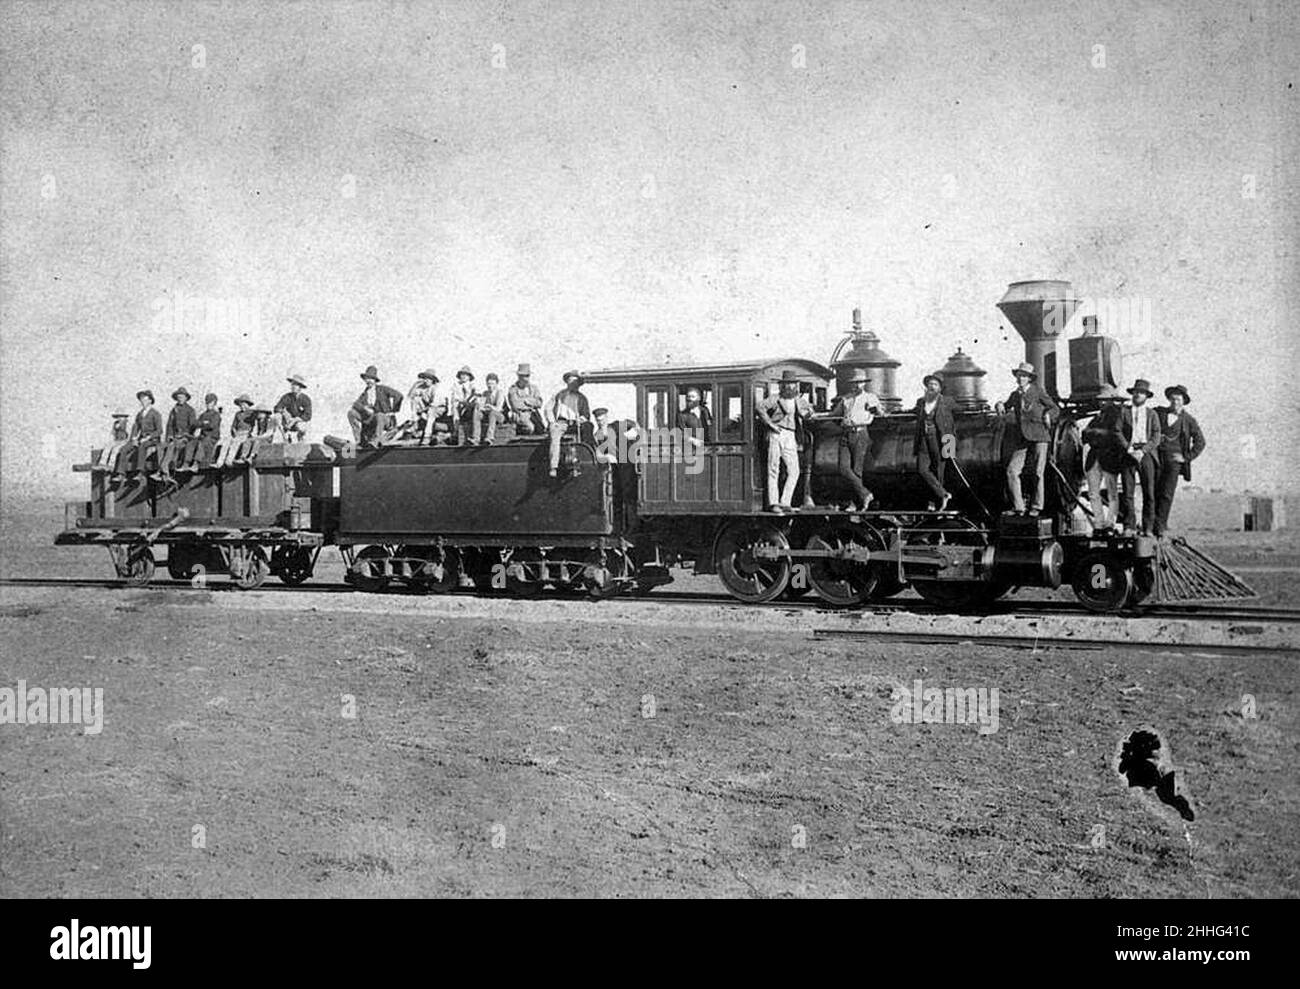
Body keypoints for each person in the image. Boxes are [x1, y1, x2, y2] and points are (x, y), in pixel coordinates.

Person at [995, 361, 1059, 516]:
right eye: (1019, 375)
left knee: (1038, 472)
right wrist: (999, 404)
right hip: (1022, 438)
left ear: (1029, 378)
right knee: (1012, 471)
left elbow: (1054, 407)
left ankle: (1037, 507)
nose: (1020, 378)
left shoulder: (1038, 392)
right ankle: (1018, 507)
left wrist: (1048, 415)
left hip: (1039, 436)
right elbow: (1006, 405)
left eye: (1024, 376)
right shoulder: (1015, 395)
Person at [1152, 384, 1206, 538]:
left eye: (1178, 399)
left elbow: (1200, 442)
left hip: (1174, 462)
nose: (1175, 402)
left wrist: (1185, 458)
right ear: (1169, 399)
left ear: (1183, 402)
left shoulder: (1189, 420)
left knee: (1167, 493)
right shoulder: (1159, 413)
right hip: (1157, 457)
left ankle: (1161, 525)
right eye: (1173, 399)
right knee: (1153, 490)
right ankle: (1151, 524)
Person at [756, 369, 813, 513]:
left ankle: (785, 502)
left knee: (794, 471)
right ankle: (773, 503)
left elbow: (807, 414)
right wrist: (770, 424)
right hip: (776, 434)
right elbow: (760, 407)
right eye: (787, 384)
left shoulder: (799, 401)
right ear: (782, 386)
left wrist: (809, 414)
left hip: (791, 435)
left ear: (795, 386)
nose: (789, 387)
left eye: (792, 384)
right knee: (773, 469)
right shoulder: (774, 399)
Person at [829, 369, 883, 511]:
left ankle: (856, 503)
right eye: (855, 383)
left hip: (860, 433)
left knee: (857, 470)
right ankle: (865, 494)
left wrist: (876, 410)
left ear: (864, 384)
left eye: (859, 382)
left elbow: (879, 412)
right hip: (846, 434)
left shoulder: (870, 397)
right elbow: (834, 415)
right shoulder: (846, 399)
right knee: (843, 468)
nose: (857, 385)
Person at [1081, 391, 1127, 532]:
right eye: (1100, 400)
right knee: (1093, 493)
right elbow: (1084, 433)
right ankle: (1099, 523)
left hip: (1109, 457)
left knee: (1111, 493)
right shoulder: (1098, 417)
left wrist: (1095, 433)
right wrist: (1098, 433)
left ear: (1111, 401)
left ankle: (1110, 523)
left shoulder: (1117, 415)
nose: (1101, 402)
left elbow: (1113, 434)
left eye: (1104, 400)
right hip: (1094, 457)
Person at [1120, 378, 1160, 535]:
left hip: (1146, 454)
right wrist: (1129, 449)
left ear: (1146, 396)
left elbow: (1156, 435)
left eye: (1142, 393)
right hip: (1128, 454)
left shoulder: (1152, 414)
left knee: (1149, 493)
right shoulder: (1124, 412)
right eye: (1136, 392)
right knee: (1127, 492)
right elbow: (1117, 432)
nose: (1138, 395)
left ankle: (1148, 527)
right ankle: (1129, 526)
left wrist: (1143, 451)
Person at [913, 372, 956, 511]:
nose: (931, 387)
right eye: (930, 384)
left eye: (935, 384)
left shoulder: (947, 401)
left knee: (939, 470)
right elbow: (913, 413)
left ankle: (938, 503)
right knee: (922, 469)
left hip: (940, 438)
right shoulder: (921, 402)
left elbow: (961, 411)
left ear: (940, 388)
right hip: (924, 438)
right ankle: (942, 494)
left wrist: (951, 445)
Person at [547, 370, 590, 477]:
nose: (573, 385)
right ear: (567, 382)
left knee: (587, 428)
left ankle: (580, 465)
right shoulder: (559, 395)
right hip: (561, 423)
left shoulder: (582, 398)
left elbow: (586, 414)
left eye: (575, 383)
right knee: (555, 435)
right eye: (571, 382)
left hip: (575, 423)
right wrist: (552, 422)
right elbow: (548, 408)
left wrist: (582, 419)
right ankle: (553, 466)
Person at [347, 365, 404, 446]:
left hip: (386, 420)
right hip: (372, 420)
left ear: (374, 380)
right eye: (366, 379)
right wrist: (365, 409)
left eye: (370, 379)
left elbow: (399, 395)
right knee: (351, 413)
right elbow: (355, 404)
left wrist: (393, 411)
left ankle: (376, 441)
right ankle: (358, 440)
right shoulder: (365, 393)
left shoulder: (382, 389)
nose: (368, 381)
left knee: (380, 415)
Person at [155, 387, 198, 479]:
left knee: (172, 446)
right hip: (174, 437)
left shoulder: (190, 410)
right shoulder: (174, 410)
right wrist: (169, 436)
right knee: (160, 446)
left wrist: (185, 435)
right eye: (178, 397)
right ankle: (162, 470)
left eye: (182, 397)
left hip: (184, 438)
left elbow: (193, 426)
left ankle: (164, 472)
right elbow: (170, 425)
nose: (180, 399)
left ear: (186, 398)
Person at [118, 389, 163, 478]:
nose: (142, 402)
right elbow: (136, 427)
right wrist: (134, 438)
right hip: (141, 438)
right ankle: (121, 473)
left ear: (150, 401)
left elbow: (159, 431)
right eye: (141, 400)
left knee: (142, 446)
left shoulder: (155, 413)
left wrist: (148, 437)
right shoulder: (140, 414)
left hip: (152, 440)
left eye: (145, 399)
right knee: (124, 448)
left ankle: (140, 472)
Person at [181, 393, 222, 471]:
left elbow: (211, 426)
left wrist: (202, 424)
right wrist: (204, 423)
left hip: (212, 438)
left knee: (202, 443)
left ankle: (196, 464)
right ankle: (186, 464)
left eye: (211, 403)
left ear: (214, 403)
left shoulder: (216, 415)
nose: (208, 405)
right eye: (207, 402)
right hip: (203, 436)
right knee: (191, 443)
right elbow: (196, 424)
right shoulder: (203, 415)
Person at [217, 395, 256, 468]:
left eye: (244, 404)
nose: (242, 406)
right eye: (240, 405)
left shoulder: (252, 413)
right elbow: (233, 426)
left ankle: (229, 460)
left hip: (246, 433)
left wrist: (248, 433)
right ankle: (219, 462)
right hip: (237, 433)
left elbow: (253, 426)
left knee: (236, 442)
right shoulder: (237, 414)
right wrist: (234, 432)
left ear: (248, 404)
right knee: (226, 442)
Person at [506, 363, 545, 434]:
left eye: (528, 376)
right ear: (519, 377)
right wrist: (531, 402)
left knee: (542, 429)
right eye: (524, 376)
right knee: (530, 428)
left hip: (533, 414)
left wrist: (528, 401)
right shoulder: (513, 389)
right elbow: (516, 404)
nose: (527, 379)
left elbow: (539, 403)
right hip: (520, 414)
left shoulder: (533, 388)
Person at [406, 369, 442, 443]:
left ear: (432, 380)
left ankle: (427, 435)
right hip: (426, 409)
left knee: (431, 413)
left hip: (439, 408)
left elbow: (434, 404)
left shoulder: (435, 388)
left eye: (428, 379)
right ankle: (414, 422)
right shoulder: (421, 387)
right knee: (416, 399)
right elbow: (410, 396)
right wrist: (415, 385)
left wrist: (423, 410)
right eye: (425, 378)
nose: (426, 381)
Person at [470, 372, 506, 445]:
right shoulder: (485, 393)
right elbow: (482, 405)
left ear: (496, 384)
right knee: (477, 412)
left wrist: (490, 407)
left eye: (492, 383)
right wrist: (480, 406)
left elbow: (499, 408)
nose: (490, 386)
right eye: (488, 384)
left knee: (493, 413)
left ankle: (490, 438)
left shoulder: (500, 393)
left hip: (500, 416)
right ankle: (476, 438)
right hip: (488, 415)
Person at [273, 374, 312, 441]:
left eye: (296, 385)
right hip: (287, 421)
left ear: (300, 387)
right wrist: (285, 413)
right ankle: (284, 440)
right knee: (277, 417)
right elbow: (277, 408)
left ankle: (301, 442)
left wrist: (295, 420)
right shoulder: (287, 397)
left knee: (302, 427)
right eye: (292, 384)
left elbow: (308, 415)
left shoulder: (306, 399)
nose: (293, 386)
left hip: (298, 422)